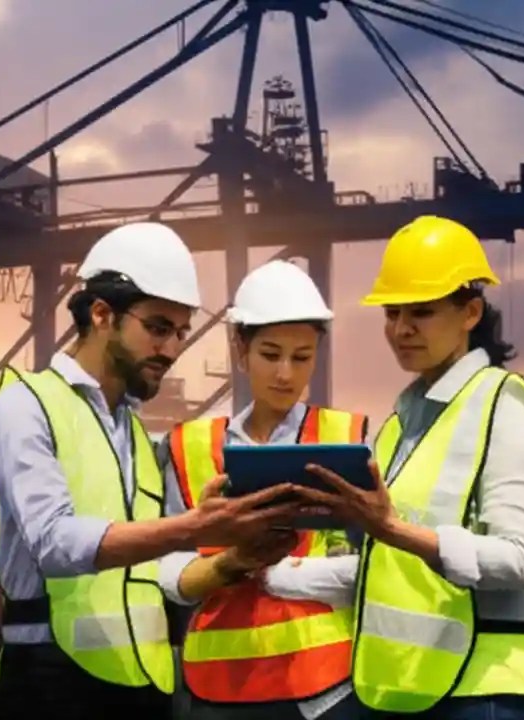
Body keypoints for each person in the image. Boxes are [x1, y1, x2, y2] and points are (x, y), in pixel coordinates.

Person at [0, 222, 304, 718]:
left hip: (146, 681)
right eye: (157, 328)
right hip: (53, 679)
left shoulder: (139, 440)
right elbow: (54, 543)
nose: (172, 349)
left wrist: (233, 561)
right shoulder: (24, 406)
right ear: (101, 314)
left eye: (182, 333)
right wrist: (194, 526)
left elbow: (152, 575)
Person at [287, 215, 524, 718]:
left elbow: (520, 559)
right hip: (414, 689)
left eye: (421, 312)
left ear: (470, 312)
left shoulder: (507, 405)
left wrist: (390, 529)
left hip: (493, 692)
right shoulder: (398, 428)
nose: (400, 330)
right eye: (392, 314)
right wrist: (277, 572)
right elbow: (389, 567)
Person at [154, 259, 370, 720]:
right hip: (220, 691)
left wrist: (289, 572)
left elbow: (379, 564)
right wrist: (232, 563)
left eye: (303, 356)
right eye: (270, 355)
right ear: (240, 349)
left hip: (325, 690)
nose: (286, 374)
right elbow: (167, 571)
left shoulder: (350, 438)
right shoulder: (186, 447)